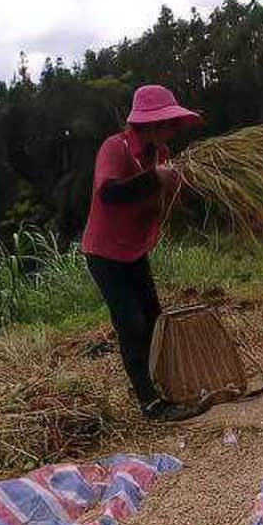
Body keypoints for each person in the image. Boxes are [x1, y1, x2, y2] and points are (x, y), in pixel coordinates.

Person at [81, 84, 202, 422]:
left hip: (134, 249)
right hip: (105, 253)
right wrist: (154, 179)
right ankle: (149, 403)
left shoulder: (158, 155)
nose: (174, 131)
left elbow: (157, 198)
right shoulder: (115, 148)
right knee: (130, 323)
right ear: (150, 125)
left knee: (152, 317)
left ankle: (162, 385)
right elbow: (109, 194)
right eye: (170, 125)